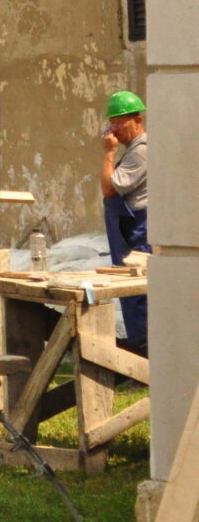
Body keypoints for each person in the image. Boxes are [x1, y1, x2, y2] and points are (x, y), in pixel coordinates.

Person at [100, 90, 149, 352]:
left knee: (137, 293)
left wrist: (108, 153)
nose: (115, 128)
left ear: (137, 121)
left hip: (137, 230)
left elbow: (110, 188)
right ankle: (141, 353)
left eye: (122, 122)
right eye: (113, 122)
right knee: (129, 293)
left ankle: (144, 358)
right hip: (126, 229)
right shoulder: (131, 150)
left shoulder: (141, 151)